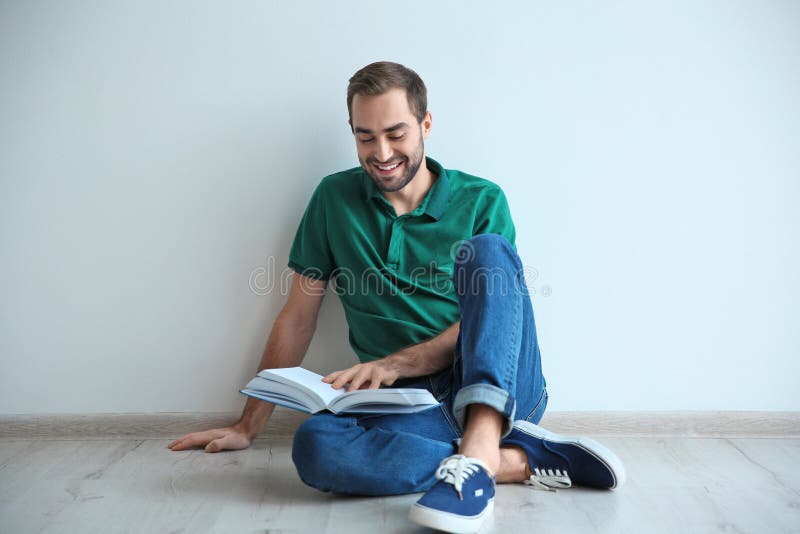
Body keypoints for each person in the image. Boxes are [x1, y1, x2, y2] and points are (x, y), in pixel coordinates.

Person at [168, 61, 625, 533]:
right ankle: (507, 461)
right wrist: (248, 425)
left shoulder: (482, 199)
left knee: (489, 251)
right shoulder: (332, 199)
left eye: (396, 133)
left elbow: (496, 322)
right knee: (315, 445)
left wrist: (394, 363)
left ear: (426, 124)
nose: (381, 153)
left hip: (497, 384)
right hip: (407, 405)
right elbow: (297, 319)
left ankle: (484, 438)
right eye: (365, 137)